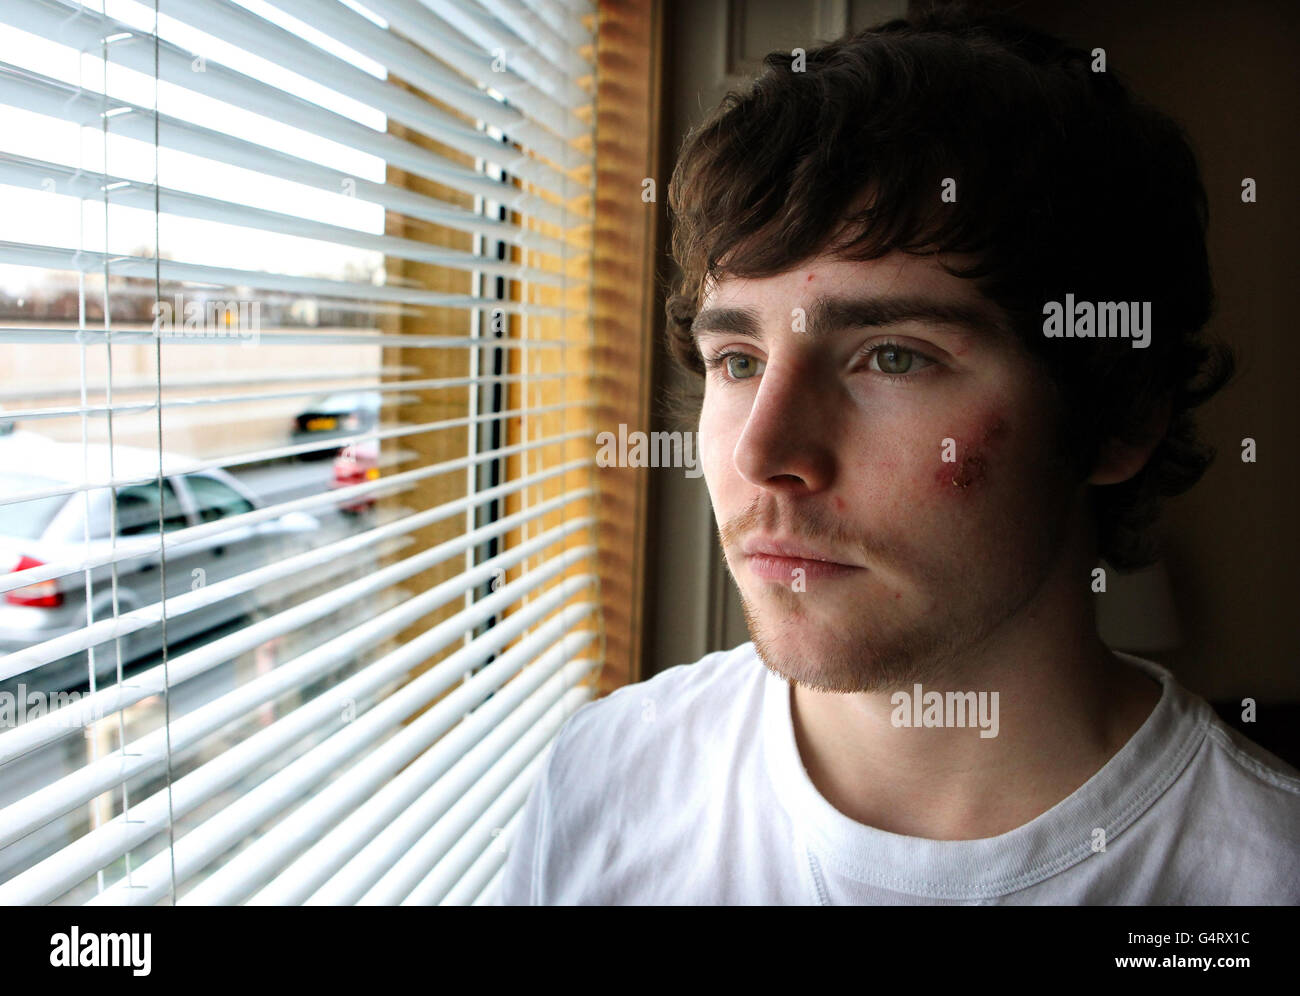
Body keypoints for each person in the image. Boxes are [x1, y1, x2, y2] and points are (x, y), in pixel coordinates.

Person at [496, 4, 1300, 904]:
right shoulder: (605, 778)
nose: (762, 452)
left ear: (1119, 418)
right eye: (737, 360)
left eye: (892, 357)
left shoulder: (1261, 877)